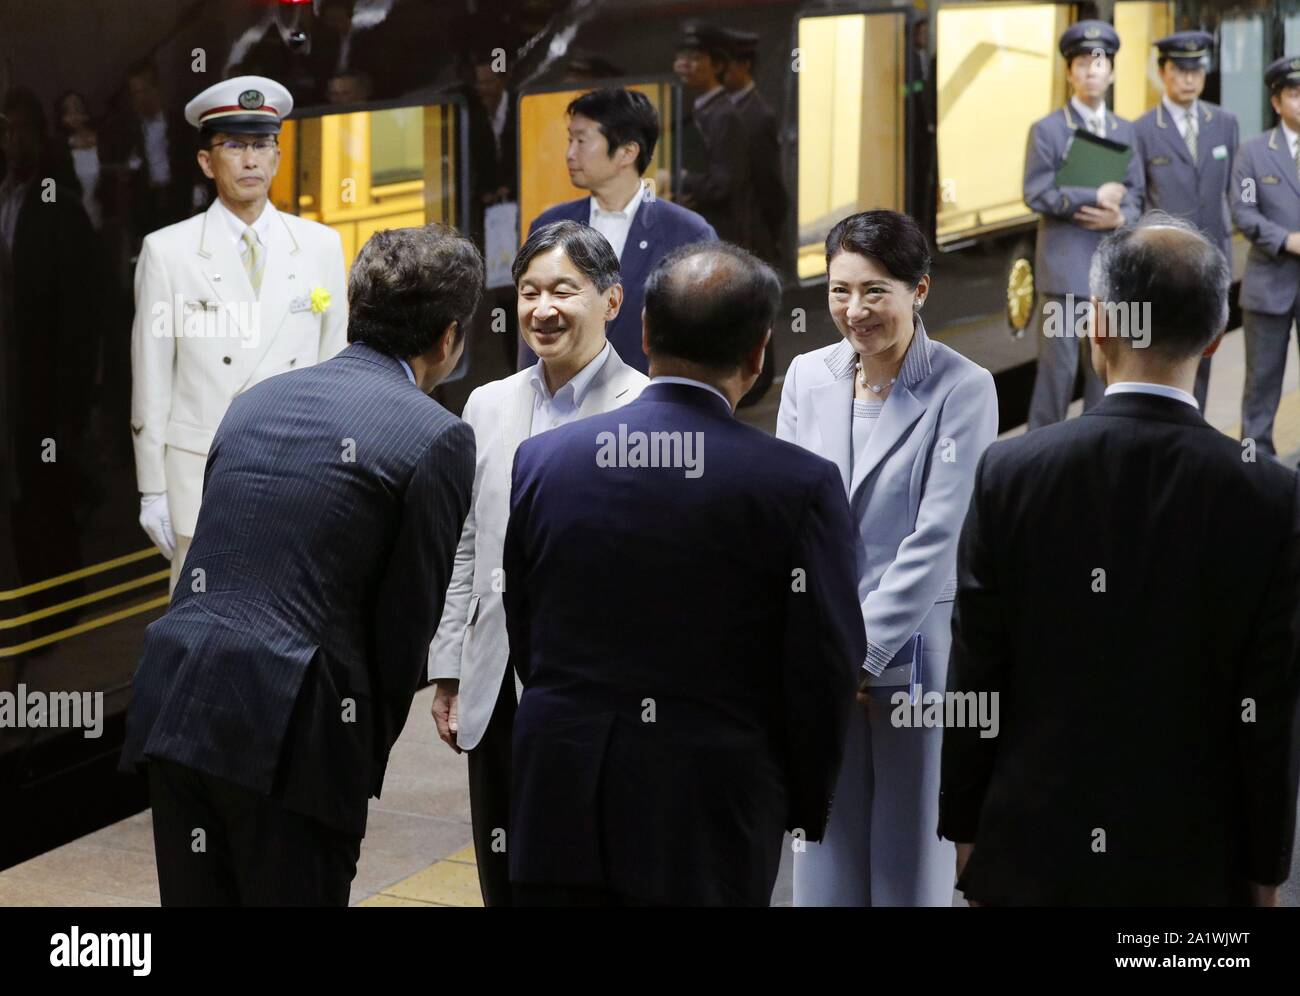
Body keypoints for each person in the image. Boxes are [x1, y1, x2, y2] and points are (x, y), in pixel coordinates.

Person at [940, 214, 1300, 906]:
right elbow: (1270, 707)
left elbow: (978, 672)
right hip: (1196, 861)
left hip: (1032, 849)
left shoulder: (1010, 472)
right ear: (1216, 335)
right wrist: (1266, 869)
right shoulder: (1269, 494)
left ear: (1096, 324)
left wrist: (965, 831)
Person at [120, 223, 481, 906]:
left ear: (354, 309)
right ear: (448, 339)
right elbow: (405, 626)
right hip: (294, 735)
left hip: (179, 701)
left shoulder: (253, 403)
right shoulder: (436, 437)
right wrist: (357, 759)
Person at [503, 242, 864, 906]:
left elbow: (527, 630)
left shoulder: (544, 461)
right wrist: (795, 799)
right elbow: (825, 665)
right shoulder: (798, 487)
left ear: (642, 330)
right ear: (759, 354)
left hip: (559, 798)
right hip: (711, 813)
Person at [777, 210, 998, 906]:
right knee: (824, 844)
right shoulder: (807, 376)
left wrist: (858, 652)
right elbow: (790, 519)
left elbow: (938, 538)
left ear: (920, 290)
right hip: (821, 649)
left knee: (909, 857)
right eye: (840, 291)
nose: (854, 310)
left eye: (875, 291)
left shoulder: (963, 388)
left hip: (915, 654)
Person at [428, 221, 647, 906]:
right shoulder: (487, 405)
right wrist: (449, 667)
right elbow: (465, 542)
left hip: (598, 695)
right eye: (528, 292)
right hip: (498, 687)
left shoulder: (645, 410)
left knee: (585, 871)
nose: (542, 309)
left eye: (563, 290)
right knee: (503, 865)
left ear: (611, 301)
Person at [130, 75, 348, 590]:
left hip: (298, 473)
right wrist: (152, 490)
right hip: (202, 480)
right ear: (207, 161)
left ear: (277, 155)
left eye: (262, 145)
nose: (250, 160)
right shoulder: (169, 251)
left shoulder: (320, 245)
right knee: (204, 641)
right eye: (233, 146)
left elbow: (338, 375)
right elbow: (152, 376)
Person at [521, 87, 716, 373]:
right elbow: (531, 338)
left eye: (581, 141)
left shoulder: (688, 233)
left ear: (627, 152)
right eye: (569, 140)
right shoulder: (549, 225)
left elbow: (705, 338)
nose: (570, 153)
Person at [1023, 20, 1144, 429]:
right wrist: (1091, 196)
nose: (1092, 71)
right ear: (1069, 72)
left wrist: (1122, 216)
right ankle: (1040, 462)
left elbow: (1140, 195)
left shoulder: (1127, 131)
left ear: (1111, 71)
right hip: (1063, 274)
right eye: (1082, 63)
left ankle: (1097, 459)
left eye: (1100, 62)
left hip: (1111, 275)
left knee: (1106, 375)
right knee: (1056, 377)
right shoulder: (1048, 130)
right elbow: (1035, 193)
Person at [1132, 31, 1237, 409]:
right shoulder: (1142, 129)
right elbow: (1137, 197)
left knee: (1204, 356)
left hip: (1213, 262)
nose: (1190, 78)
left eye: (1197, 69)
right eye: (1180, 69)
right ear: (1163, 72)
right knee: (1161, 357)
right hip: (1162, 268)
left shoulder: (1225, 122)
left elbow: (1235, 191)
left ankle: (1198, 431)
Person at [1231, 56, 1300, 459]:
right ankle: (1253, 466)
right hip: (1268, 285)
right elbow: (1242, 212)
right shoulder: (1253, 153)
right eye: (1294, 95)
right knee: (1260, 386)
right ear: (1277, 103)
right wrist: (1285, 239)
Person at [673, 21, 750, 245]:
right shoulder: (698, 106)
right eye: (680, 57)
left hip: (718, 231)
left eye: (695, 58)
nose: (684, 65)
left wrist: (683, 179)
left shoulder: (724, 115)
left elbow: (723, 185)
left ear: (717, 66)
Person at [721, 28, 788, 267]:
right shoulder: (723, 108)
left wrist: (770, 234)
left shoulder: (758, 117)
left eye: (726, 67)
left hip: (748, 232)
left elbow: (769, 185)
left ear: (744, 65)